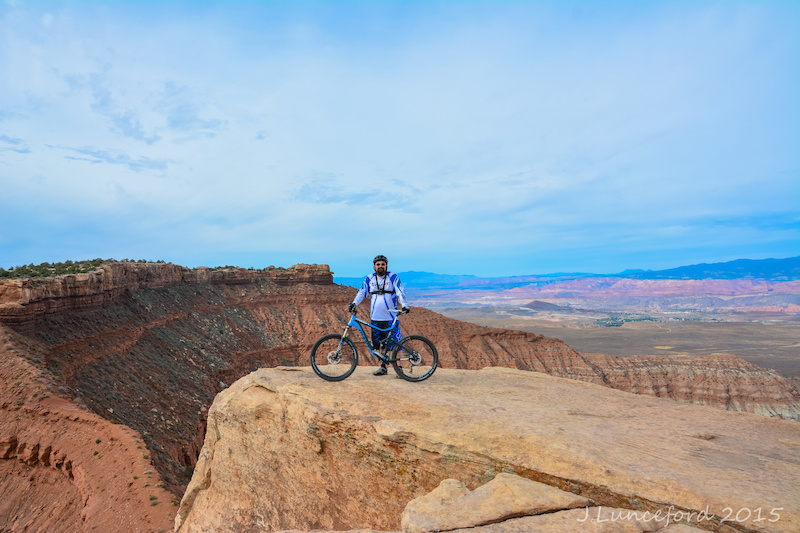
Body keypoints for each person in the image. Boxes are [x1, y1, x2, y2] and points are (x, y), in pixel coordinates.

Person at [349, 254, 410, 376]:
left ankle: (399, 369)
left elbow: (400, 291)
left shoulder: (392, 277)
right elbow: (362, 292)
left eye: (382, 264)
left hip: (390, 317)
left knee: (395, 344)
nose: (380, 266)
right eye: (378, 264)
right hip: (375, 318)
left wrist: (404, 305)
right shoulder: (369, 278)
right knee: (379, 345)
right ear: (374, 266)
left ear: (386, 265)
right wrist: (354, 303)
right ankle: (383, 367)